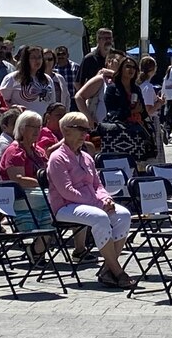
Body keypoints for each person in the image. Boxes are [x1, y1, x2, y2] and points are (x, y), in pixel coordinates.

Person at [47, 112, 135, 288]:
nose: (84, 134)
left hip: (91, 204)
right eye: (80, 129)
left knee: (124, 215)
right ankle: (117, 271)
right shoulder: (57, 158)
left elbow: (98, 185)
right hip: (65, 207)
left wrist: (106, 199)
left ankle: (106, 270)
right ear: (66, 131)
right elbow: (67, 191)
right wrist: (98, 204)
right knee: (100, 218)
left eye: (86, 129)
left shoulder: (87, 157)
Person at [0, 109, 54, 235]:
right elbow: (18, 180)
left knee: (56, 195)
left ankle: (43, 239)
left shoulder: (38, 151)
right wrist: (46, 183)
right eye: (32, 126)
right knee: (55, 196)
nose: (37, 130)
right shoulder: (14, 151)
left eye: (39, 127)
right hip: (17, 195)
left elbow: (48, 172)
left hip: (36, 193)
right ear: (21, 128)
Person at [1, 45, 59, 115]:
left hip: (43, 121)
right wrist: (14, 108)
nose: (37, 60)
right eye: (33, 57)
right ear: (26, 60)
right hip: (21, 121)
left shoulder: (47, 79)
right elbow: (2, 101)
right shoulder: (12, 78)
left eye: (39, 57)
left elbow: (52, 103)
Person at [137, 56, 166, 165]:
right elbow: (148, 110)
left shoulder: (140, 85)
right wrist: (160, 103)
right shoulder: (148, 87)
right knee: (154, 153)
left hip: (144, 122)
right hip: (151, 122)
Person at [0, 107, 25, 172]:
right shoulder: (2, 142)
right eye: (14, 124)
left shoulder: (21, 138)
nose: (18, 127)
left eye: (19, 123)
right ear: (4, 127)